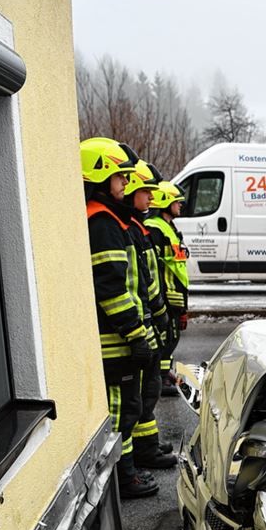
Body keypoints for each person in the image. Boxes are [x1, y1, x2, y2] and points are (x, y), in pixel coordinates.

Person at [81, 137, 158, 498]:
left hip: (118, 336)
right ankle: (121, 480)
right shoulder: (103, 224)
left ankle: (123, 476)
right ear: (102, 175)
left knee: (127, 409)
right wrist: (136, 335)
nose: (126, 186)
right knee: (120, 413)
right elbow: (112, 287)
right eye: (121, 179)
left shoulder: (108, 219)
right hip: (115, 340)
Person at [122, 160, 176, 470]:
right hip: (138, 325)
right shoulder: (121, 228)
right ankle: (138, 457)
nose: (151, 199)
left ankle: (147, 445)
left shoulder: (136, 227)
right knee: (138, 397)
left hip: (148, 320)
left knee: (148, 391)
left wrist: (160, 312)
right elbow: (128, 283)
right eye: (146, 193)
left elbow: (147, 278)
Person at [144, 181, 189, 395]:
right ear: (165, 201)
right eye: (176, 201)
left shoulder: (167, 227)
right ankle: (161, 379)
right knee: (167, 338)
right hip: (166, 296)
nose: (180, 205)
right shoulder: (155, 229)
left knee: (171, 337)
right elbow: (157, 268)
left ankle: (164, 374)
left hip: (174, 294)